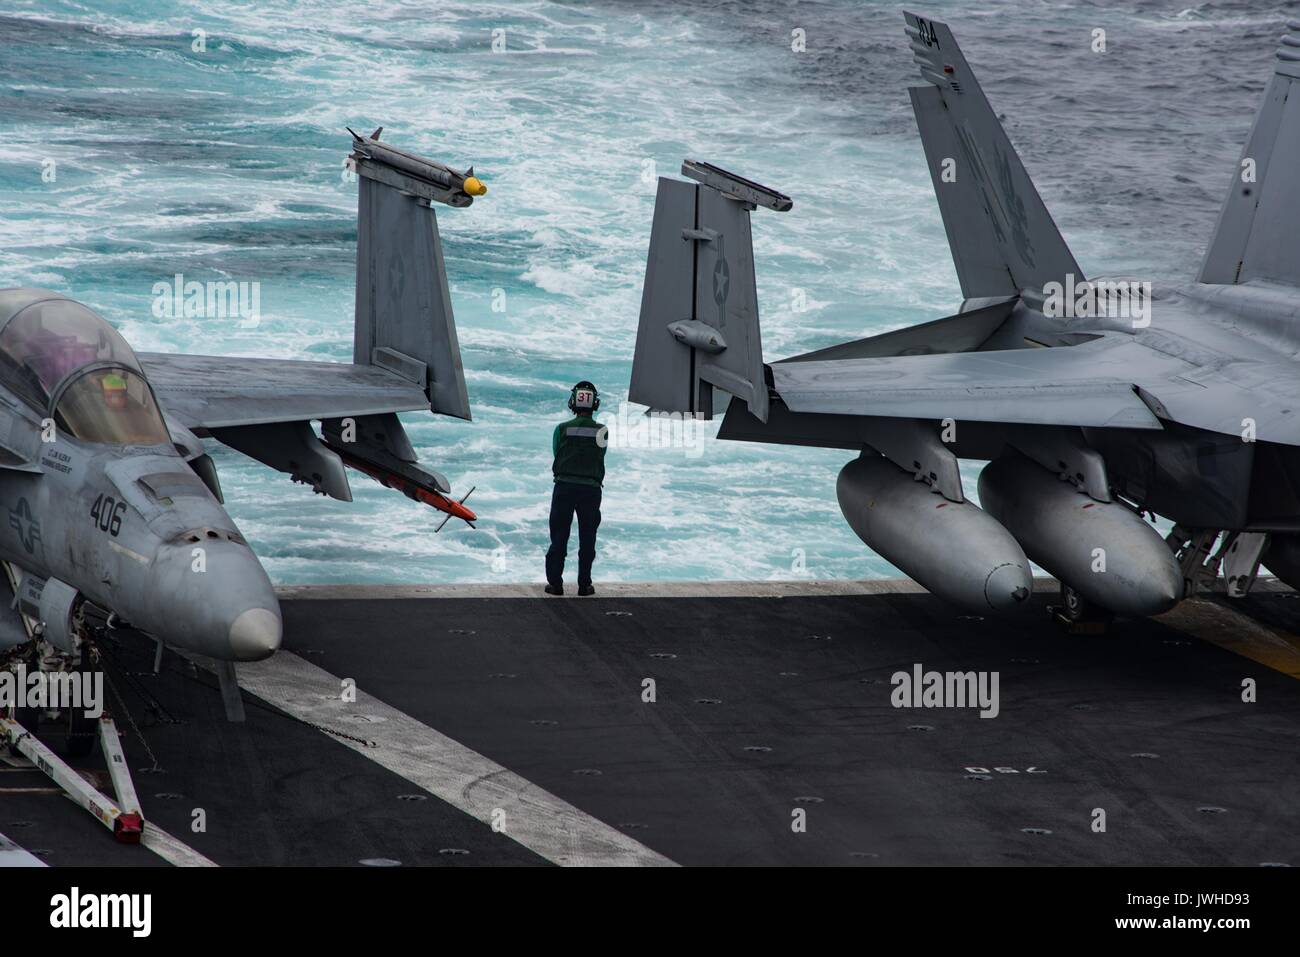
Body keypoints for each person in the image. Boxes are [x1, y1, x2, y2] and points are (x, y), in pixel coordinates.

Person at [545, 381, 607, 596]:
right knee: (588, 537)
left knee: (559, 536)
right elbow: (600, 456)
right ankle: (584, 585)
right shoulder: (602, 431)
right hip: (591, 490)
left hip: (564, 487)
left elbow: (557, 452)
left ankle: (555, 584)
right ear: (595, 404)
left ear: (573, 402)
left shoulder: (561, 429)